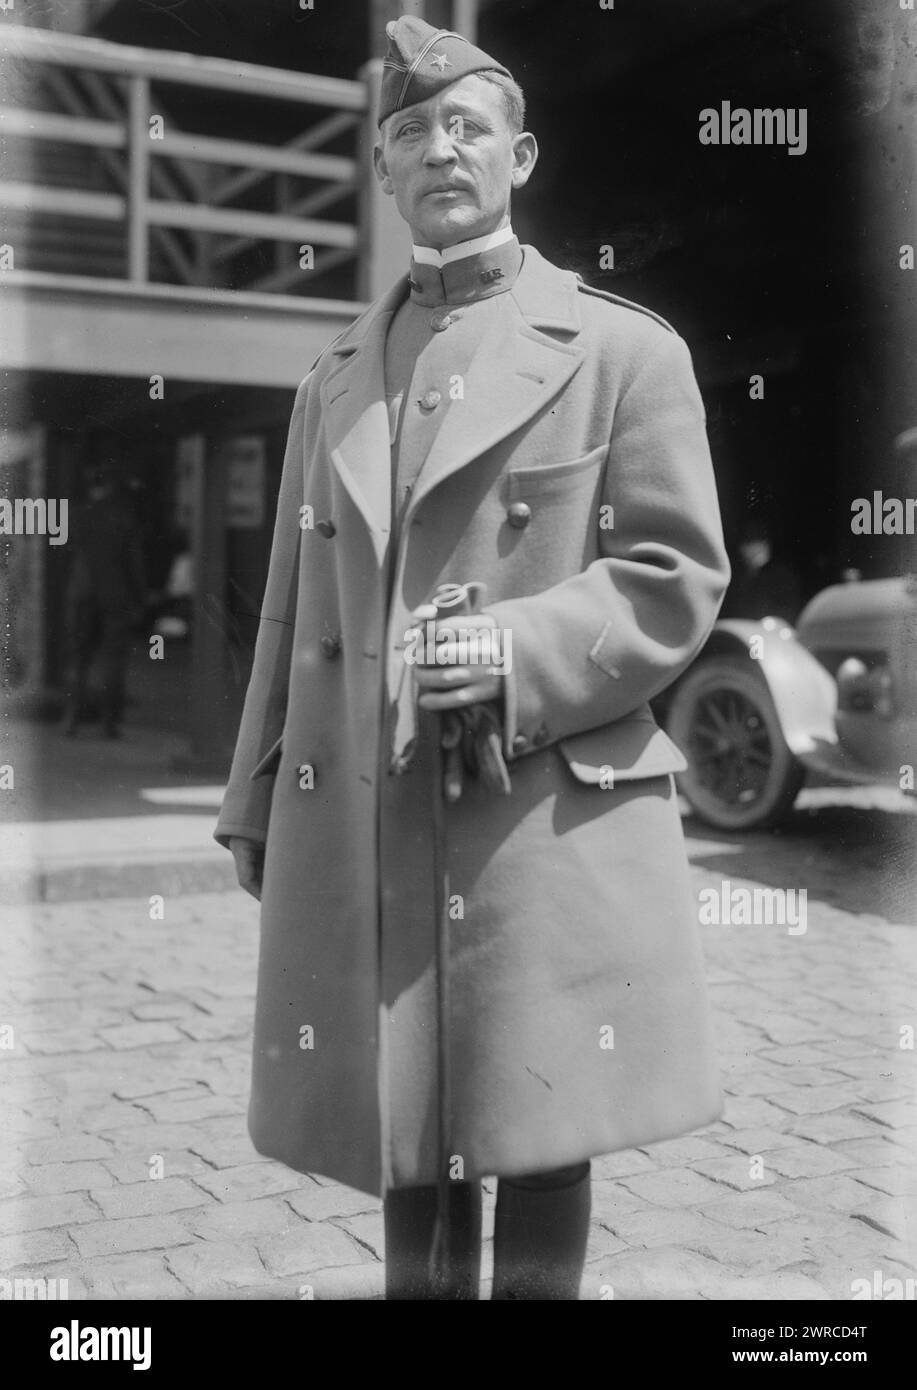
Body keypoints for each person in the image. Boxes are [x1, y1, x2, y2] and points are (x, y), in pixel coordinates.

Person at [214, 16, 731, 1300]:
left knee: (536, 1111)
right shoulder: (329, 375)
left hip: (534, 812)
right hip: (374, 808)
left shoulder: (622, 350)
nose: (437, 149)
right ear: (383, 176)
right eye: (408, 135)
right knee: (405, 1121)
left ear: (520, 154)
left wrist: (518, 642)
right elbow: (290, 607)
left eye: (465, 127)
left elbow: (676, 575)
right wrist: (253, 786)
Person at [61, 461, 147, 738]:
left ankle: (72, 719)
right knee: (113, 659)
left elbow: (63, 558)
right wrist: (141, 597)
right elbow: (135, 564)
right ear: (111, 486)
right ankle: (109, 723)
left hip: (81, 593)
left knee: (79, 657)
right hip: (115, 594)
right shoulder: (123, 517)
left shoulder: (75, 517)